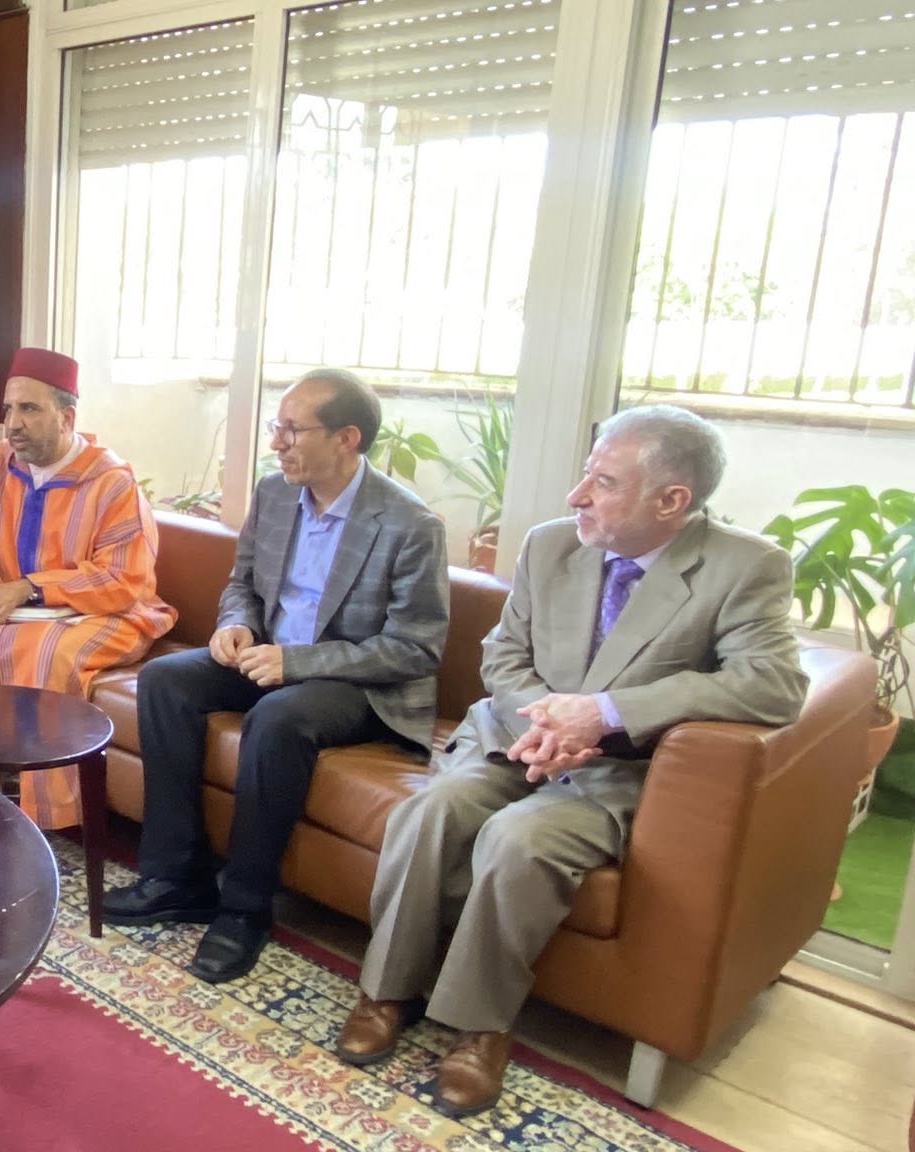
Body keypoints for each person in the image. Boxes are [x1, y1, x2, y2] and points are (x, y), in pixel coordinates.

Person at [336, 405, 807, 1118]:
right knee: (431, 810)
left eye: (604, 482)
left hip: (615, 772)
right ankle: (386, 991)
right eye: (586, 474)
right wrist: (550, 716)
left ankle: (480, 1025)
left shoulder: (745, 568)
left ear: (671, 500)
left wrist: (606, 713)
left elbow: (773, 684)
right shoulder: (551, 544)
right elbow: (504, 653)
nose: (577, 495)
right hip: (512, 737)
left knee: (517, 840)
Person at [102, 369, 450, 983]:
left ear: (346, 438)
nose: (276, 443)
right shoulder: (275, 494)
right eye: (276, 426)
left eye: (292, 430)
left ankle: (244, 909)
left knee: (279, 716)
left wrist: (297, 663)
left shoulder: (409, 524)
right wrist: (235, 625)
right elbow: (242, 583)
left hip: (357, 683)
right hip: (269, 657)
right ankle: (176, 877)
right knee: (166, 680)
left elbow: (413, 649)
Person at [0, 347, 174, 828]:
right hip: (7, 604)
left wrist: (29, 588)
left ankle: (42, 814)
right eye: (8, 409)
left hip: (105, 612)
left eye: (29, 409)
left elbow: (124, 577)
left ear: (67, 417)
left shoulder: (110, 482)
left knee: (45, 654)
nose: (13, 424)